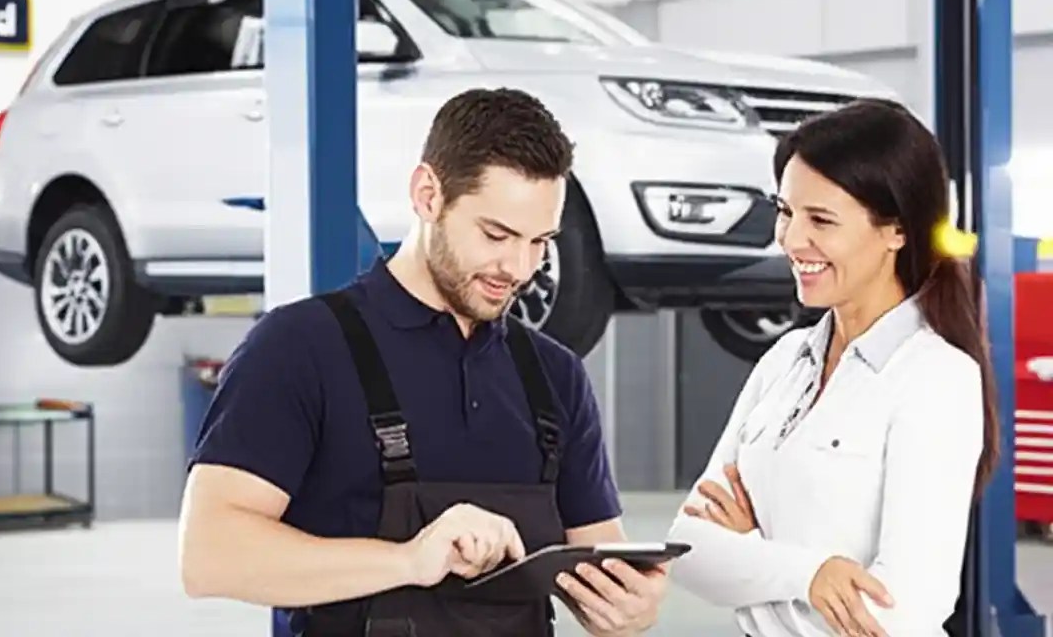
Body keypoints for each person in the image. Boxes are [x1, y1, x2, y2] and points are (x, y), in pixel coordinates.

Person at [177, 87, 669, 636]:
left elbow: (602, 559)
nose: (519, 267)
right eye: (496, 234)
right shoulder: (300, 347)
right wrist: (409, 561)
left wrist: (629, 610)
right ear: (428, 194)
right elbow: (208, 554)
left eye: (540, 242)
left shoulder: (555, 376)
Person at [666, 98, 1000, 637]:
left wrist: (748, 552)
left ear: (897, 230)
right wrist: (811, 573)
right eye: (786, 211)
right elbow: (688, 545)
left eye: (820, 219)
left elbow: (901, 610)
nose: (792, 240)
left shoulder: (936, 377)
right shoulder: (784, 360)